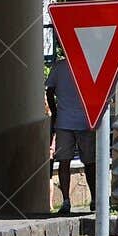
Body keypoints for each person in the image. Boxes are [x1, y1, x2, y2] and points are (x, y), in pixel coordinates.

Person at [45, 57, 97, 215]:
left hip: (64, 121)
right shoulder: (88, 64)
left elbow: (49, 90)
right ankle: (94, 199)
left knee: (64, 162)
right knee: (89, 162)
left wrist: (54, 111)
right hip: (83, 121)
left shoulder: (59, 66)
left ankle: (67, 201)